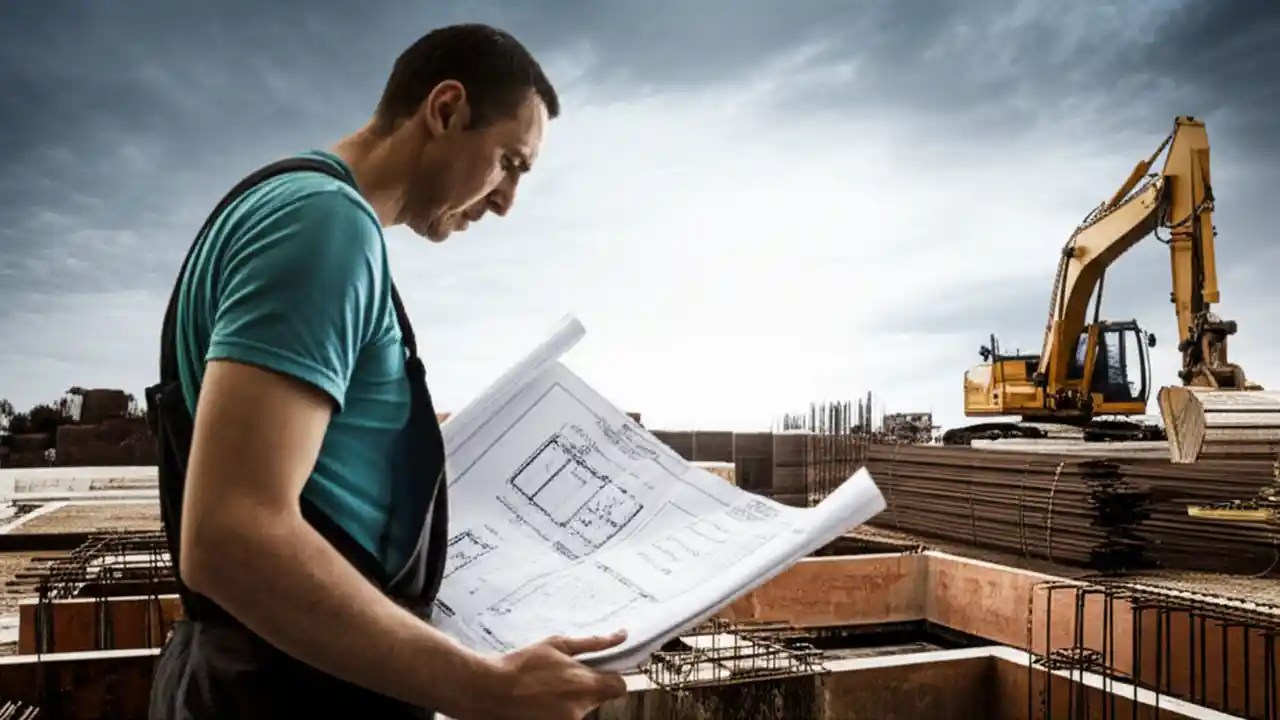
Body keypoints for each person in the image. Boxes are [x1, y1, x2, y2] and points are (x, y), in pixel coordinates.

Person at [145, 23, 628, 720]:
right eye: (509, 163)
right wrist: (484, 688)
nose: (505, 201)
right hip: (282, 692)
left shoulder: (281, 207)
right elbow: (230, 535)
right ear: (445, 110)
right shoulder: (323, 224)